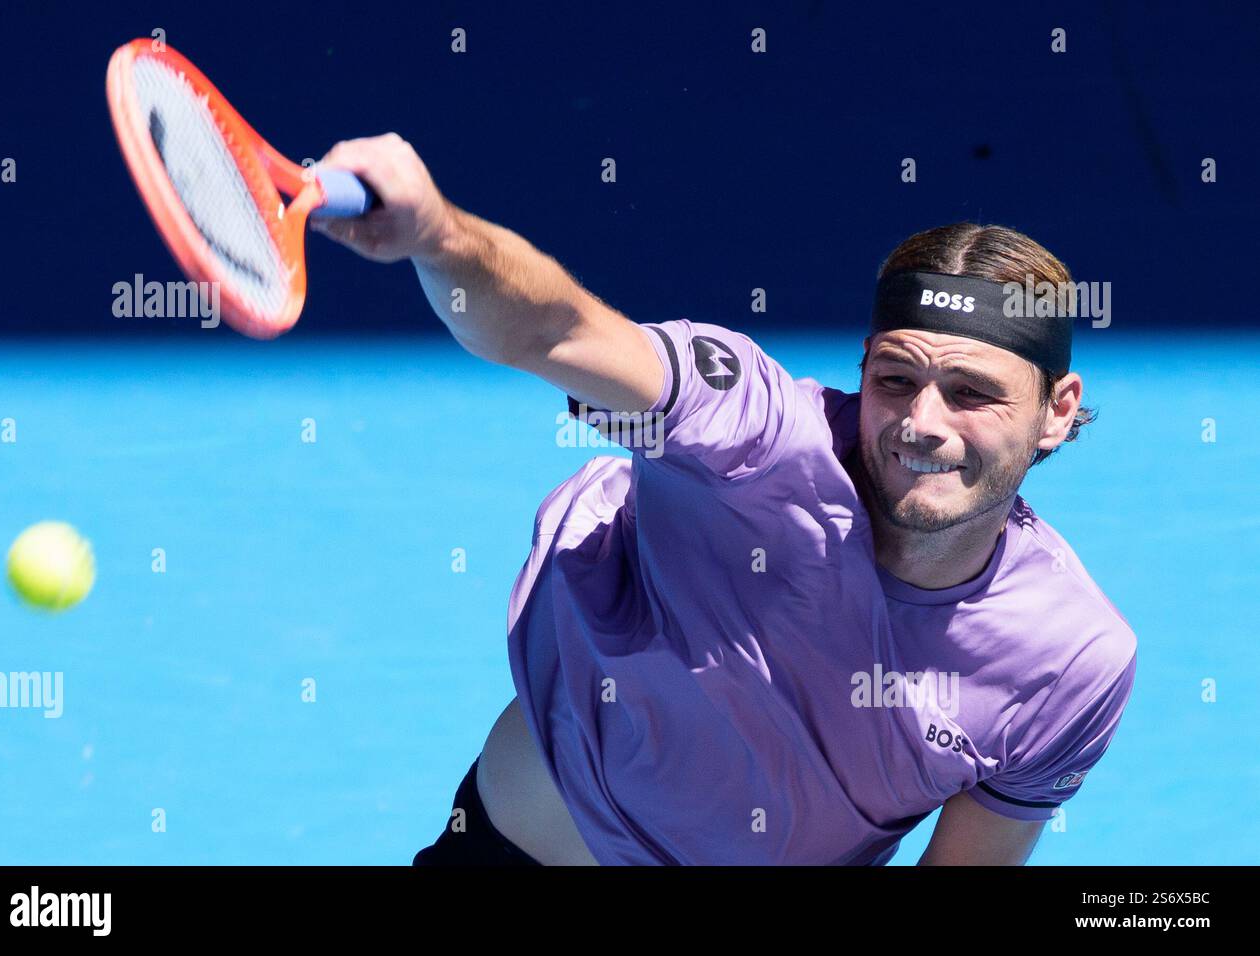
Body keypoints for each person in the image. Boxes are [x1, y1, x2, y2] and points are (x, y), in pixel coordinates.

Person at [313, 134, 1137, 866]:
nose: (922, 424)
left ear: (1056, 410)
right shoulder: (747, 431)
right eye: (896, 379)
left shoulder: (1071, 658)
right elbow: (554, 330)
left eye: (970, 393)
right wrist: (439, 236)